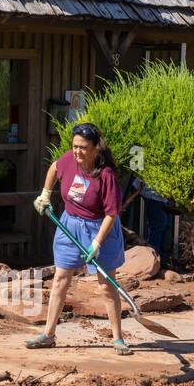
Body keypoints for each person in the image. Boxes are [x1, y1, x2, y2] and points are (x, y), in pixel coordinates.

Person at [26, 122, 130, 355]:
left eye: (83, 147)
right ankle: (48, 334)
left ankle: (118, 339)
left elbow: (111, 213)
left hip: (99, 227)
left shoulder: (106, 175)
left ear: (95, 148)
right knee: (61, 277)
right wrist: (45, 194)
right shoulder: (69, 161)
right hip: (69, 224)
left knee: (105, 284)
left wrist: (97, 243)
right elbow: (54, 168)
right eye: (75, 146)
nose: (77, 152)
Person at [122, 173, 174, 262]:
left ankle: (162, 259)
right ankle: (153, 259)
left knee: (165, 226)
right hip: (154, 195)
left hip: (162, 197)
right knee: (158, 226)